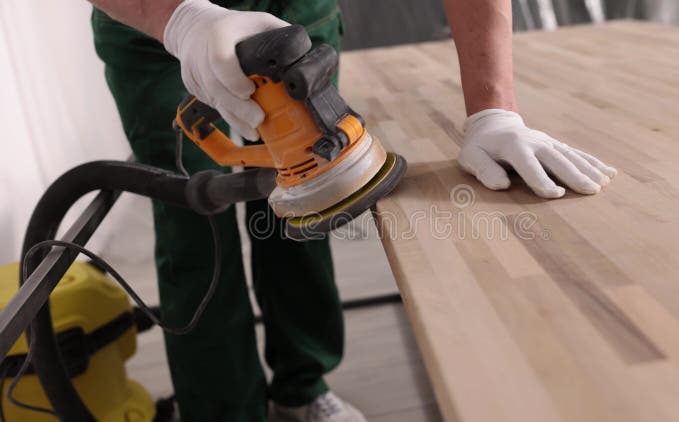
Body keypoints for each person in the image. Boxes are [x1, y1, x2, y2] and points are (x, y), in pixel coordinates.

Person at [89, 0, 616, 421]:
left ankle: (303, 387)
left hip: (290, 9)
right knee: (193, 222)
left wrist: (493, 110)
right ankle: (221, 411)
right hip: (154, 24)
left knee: (306, 200)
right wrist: (179, 19)